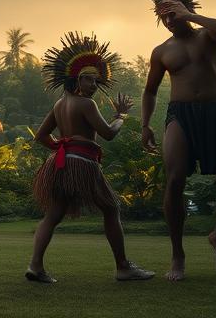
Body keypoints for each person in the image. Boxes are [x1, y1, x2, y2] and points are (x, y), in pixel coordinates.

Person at [27, 31, 153, 284]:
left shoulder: (59, 104)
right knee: (111, 208)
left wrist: (62, 146)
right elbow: (108, 134)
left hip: (61, 163)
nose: (93, 85)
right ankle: (123, 267)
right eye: (89, 80)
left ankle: (35, 266)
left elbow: (41, 136)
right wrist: (120, 117)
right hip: (82, 163)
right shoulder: (86, 105)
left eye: (96, 81)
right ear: (75, 79)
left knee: (53, 215)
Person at [142, 0, 216, 279]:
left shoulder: (208, 35)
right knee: (175, 179)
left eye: (173, 13)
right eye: (163, 16)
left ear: (186, 9)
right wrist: (145, 125)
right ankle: (178, 256)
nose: (168, 21)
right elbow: (150, 91)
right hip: (180, 114)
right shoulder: (162, 51)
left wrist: (189, 15)